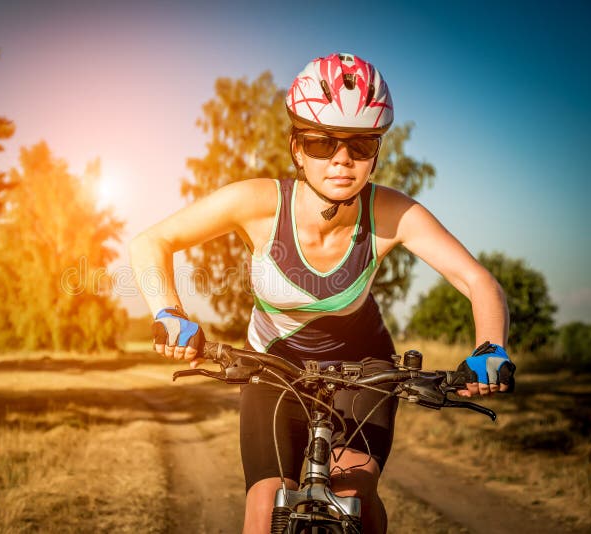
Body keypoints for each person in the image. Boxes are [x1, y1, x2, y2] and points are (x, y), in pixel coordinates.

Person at [129, 52, 515, 534]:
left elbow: (478, 281)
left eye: (360, 144)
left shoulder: (392, 212)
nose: (341, 159)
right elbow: (152, 242)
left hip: (365, 369)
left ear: (376, 151)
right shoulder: (259, 203)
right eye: (321, 142)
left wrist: (491, 348)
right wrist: (168, 310)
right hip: (271, 365)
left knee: (355, 492)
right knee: (264, 508)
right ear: (296, 147)